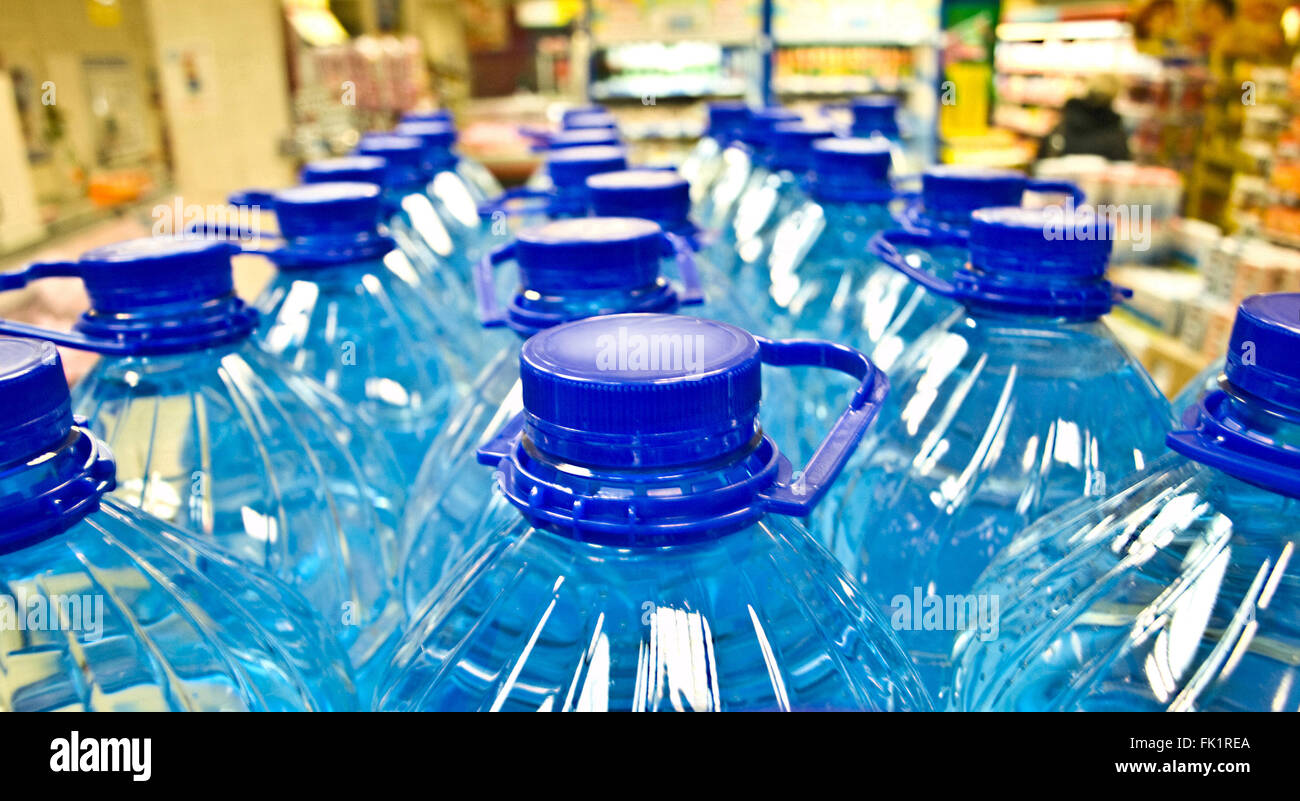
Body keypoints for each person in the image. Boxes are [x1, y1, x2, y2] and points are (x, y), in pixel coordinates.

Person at [1037, 74, 1131, 161]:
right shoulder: (1113, 127)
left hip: (1059, 177)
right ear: (1114, 95)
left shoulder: (1068, 117)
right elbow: (1121, 161)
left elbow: (1044, 154)